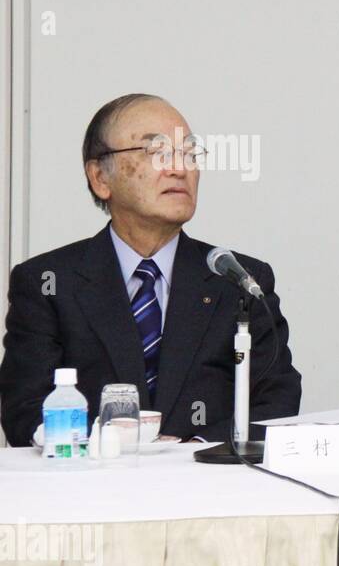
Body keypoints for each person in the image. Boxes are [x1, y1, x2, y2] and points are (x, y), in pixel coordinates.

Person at [0, 94, 301, 445]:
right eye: (157, 152)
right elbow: (24, 409)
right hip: (90, 490)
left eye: (189, 153)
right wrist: (114, 448)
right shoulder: (48, 283)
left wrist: (192, 452)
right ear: (100, 177)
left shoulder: (238, 279)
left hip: (212, 487)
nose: (180, 168)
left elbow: (276, 402)